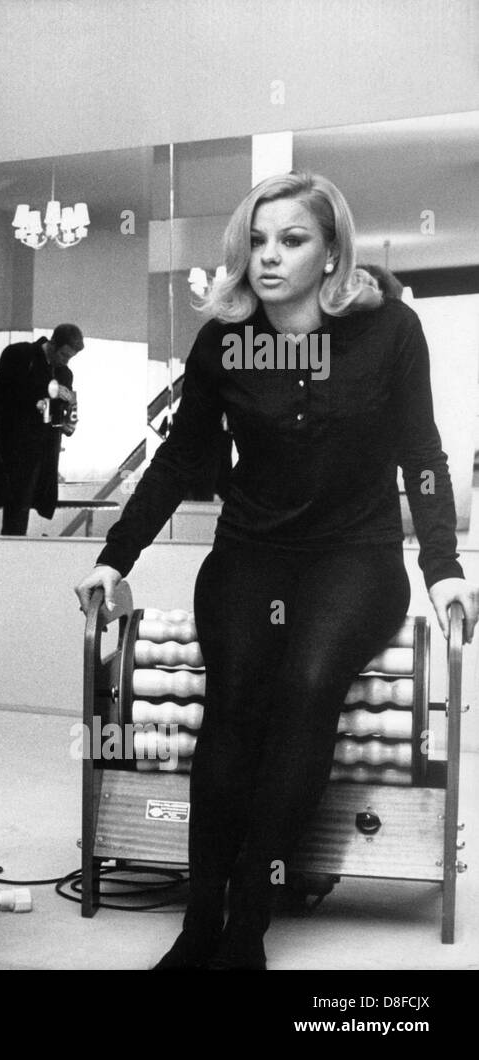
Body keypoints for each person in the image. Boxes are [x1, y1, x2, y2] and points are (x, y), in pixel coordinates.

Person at [73, 171, 478, 969]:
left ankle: (249, 921)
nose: (268, 256)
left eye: (292, 239)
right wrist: (113, 556)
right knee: (233, 706)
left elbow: (422, 455)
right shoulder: (226, 341)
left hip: (355, 558)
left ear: (332, 251)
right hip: (251, 553)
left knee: (305, 688)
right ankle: (199, 927)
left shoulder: (389, 331)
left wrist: (444, 567)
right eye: (257, 240)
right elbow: (181, 458)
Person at [0, 324, 84, 535]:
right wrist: (46, 396)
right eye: (64, 354)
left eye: (70, 357)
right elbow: (5, 392)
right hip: (2, 449)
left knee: (18, 518)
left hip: (33, 455)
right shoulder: (19, 354)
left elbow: (58, 411)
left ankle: (12, 562)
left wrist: (65, 418)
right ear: (53, 344)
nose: (65, 361)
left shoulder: (64, 373)